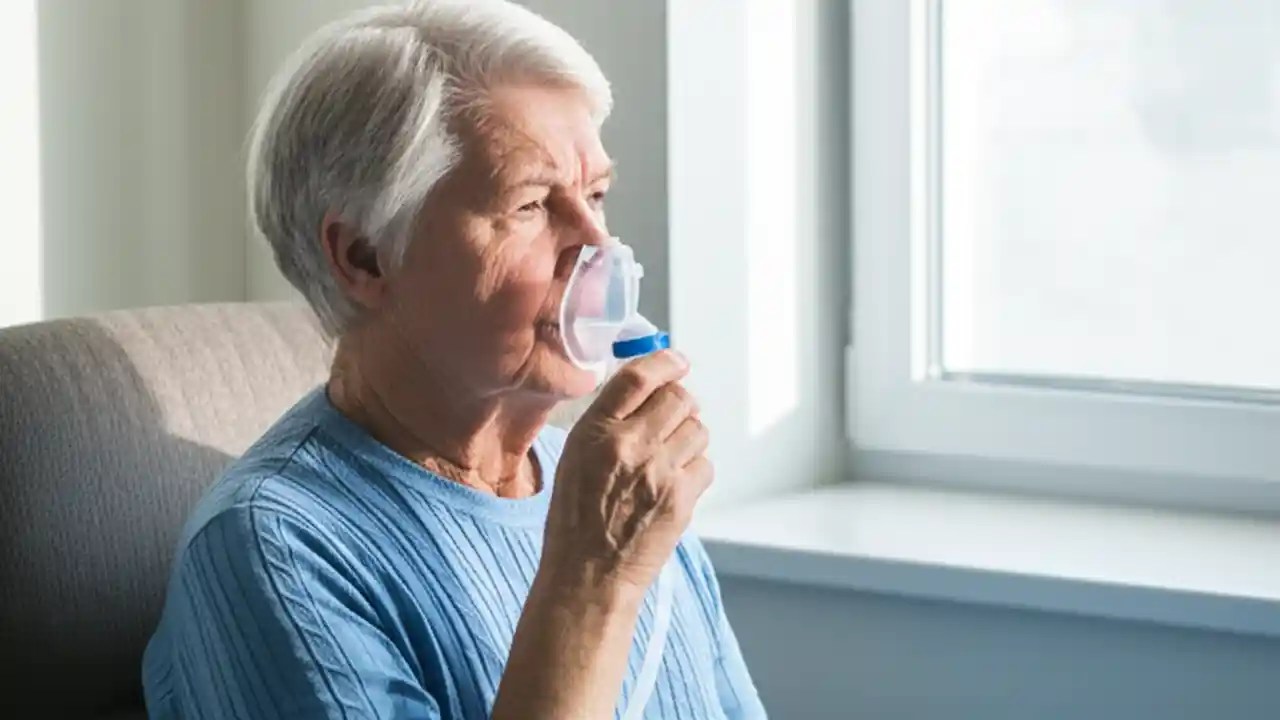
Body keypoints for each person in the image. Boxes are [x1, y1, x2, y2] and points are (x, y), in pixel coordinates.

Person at [141, 1, 766, 717]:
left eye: (596, 194)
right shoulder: (276, 549)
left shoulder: (617, 494)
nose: (600, 246)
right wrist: (594, 579)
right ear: (364, 257)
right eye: (531, 206)